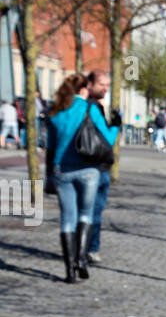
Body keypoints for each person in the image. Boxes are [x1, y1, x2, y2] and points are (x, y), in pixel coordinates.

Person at [45, 71, 118, 282]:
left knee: (67, 219)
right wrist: (116, 125)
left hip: (62, 170)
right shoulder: (89, 108)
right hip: (88, 170)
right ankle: (81, 260)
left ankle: (69, 271)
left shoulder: (55, 111)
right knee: (86, 215)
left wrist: (49, 174)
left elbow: (50, 146)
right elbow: (108, 139)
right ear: (84, 90)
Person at [83, 70, 115, 265]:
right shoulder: (93, 108)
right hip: (97, 166)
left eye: (108, 85)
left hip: (90, 164)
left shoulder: (83, 106)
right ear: (90, 85)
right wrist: (116, 125)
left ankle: (81, 249)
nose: (106, 88)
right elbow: (108, 139)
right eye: (102, 84)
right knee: (94, 211)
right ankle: (90, 249)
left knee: (85, 210)